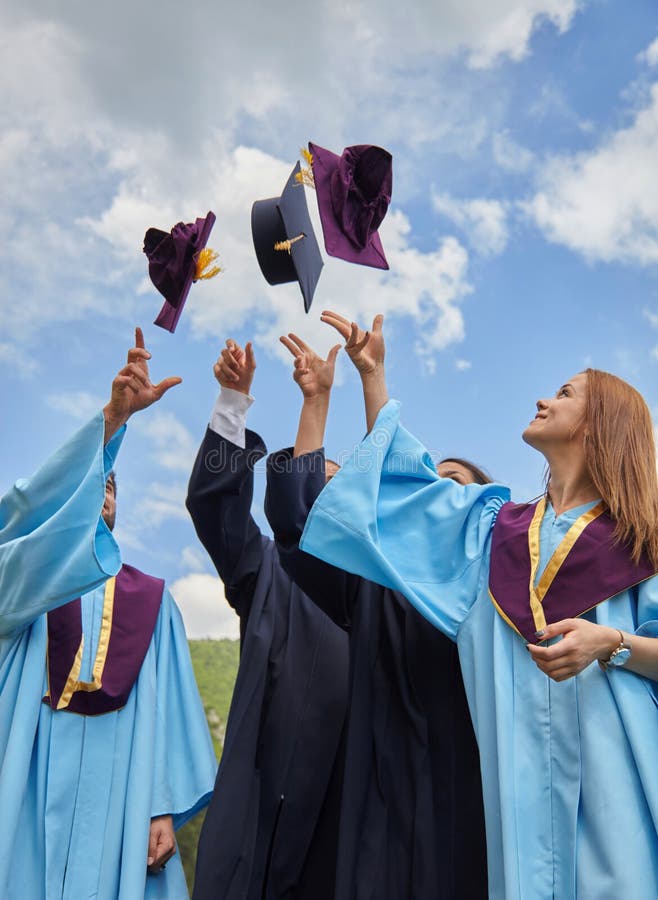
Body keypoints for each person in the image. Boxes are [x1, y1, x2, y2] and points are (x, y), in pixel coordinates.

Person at [299, 311, 658, 900]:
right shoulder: (492, 533)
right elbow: (410, 495)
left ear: (600, 425)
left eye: (565, 393)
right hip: (513, 792)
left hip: (621, 774)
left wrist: (612, 643)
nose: (544, 398)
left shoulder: (644, 544)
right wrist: (374, 378)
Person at [264, 332, 489, 899]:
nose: (436, 485)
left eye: (455, 482)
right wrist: (318, 402)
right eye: (430, 475)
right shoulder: (373, 584)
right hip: (377, 783)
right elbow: (301, 522)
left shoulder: (494, 578)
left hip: (467, 773)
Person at [0, 329, 217, 900]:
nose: (102, 494)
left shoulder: (154, 602)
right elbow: (25, 519)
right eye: (90, 485)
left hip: (124, 782)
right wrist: (111, 422)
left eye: (110, 486)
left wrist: (163, 804)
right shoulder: (26, 584)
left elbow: (171, 709)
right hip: (26, 769)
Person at [186, 339, 348, 900]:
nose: (318, 494)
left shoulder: (387, 598)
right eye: (314, 482)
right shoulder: (268, 573)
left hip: (349, 816)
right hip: (259, 813)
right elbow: (217, 508)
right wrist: (232, 402)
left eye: (335, 485)